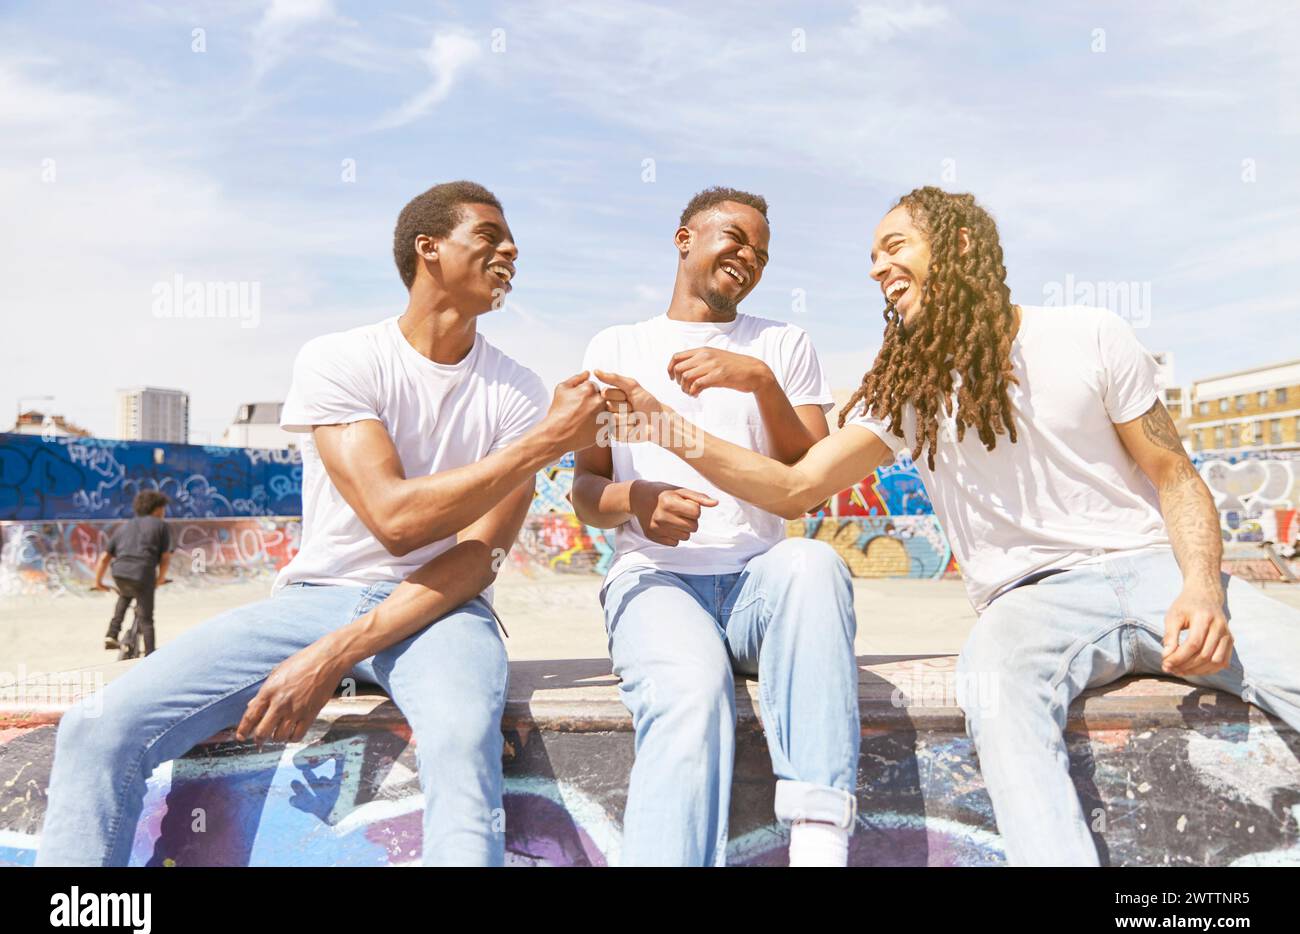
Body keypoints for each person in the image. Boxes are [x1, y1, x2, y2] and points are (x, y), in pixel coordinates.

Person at [595, 185, 1300, 866]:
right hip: (1026, 603)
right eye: (872, 256)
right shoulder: (909, 388)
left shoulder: (1090, 333)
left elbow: (1175, 473)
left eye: (893, 245)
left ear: (959, 245)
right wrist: (666, 429)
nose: (877, 267)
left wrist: (1202, 587)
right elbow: (794, 487)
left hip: (1157, 570)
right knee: (996, 703)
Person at [37, 180, 604, 867]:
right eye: (488, 235)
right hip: (316, 599)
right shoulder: (341, 358)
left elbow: (477, 558)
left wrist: (335, 655)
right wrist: (544, 445)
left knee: (461, 746)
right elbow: (393, 518)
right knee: (100, 729)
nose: (510, 248)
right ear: (428, 249)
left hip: (442, 609)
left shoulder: (515, 391)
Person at [572, 187, 860, 867]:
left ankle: (819, 837)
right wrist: (635, 499)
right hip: (657, 579)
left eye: (761, 251)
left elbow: (805, 479)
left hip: (760, 584)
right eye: (734, 238)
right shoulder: (617, 347)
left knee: (813, 565)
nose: (749, 257)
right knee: (692, 694)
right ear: (684, 239)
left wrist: (760, 382)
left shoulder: (781, 346)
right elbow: (585, 490)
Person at [93, 490, 172, 656]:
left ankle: (112, 634)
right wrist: (160, 579)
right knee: (146, 619)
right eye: (163, 508)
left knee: (125, 594)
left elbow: (105, 557)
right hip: (143, 573)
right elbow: (165, 557)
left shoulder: (125, 526)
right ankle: (151, 655)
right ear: (157, 509)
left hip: (119, 572)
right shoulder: (161, 526)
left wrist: (98, 582)